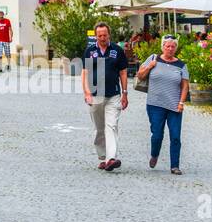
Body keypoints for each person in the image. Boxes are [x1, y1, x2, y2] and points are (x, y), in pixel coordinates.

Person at [137, 35, 190, 175]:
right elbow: (140, 75)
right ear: (162, 47)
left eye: (173, 46)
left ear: (176, 48)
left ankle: (175, 166)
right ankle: (154, 154)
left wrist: (181, 102)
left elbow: (185, 86)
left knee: (175, 136)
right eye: (167, 46)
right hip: (155, 104)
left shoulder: (182, 65)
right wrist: (150, 66)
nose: (170, 49)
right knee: (157, 135)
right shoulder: (154, 58)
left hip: (174, 106)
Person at [81, 22, 128, 171]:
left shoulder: (117, 50)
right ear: (96, 36)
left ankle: (111, 158)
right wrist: (87, 92)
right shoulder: (90, 51)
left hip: (113, 95)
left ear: (109, 35)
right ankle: (102, 157)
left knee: (111, 126)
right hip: (95, 96)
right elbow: (85, 73)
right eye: (99, 35)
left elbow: (123, 72)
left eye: (105, 35)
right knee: (99, 129)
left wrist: (125, 93)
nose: (102, 38)